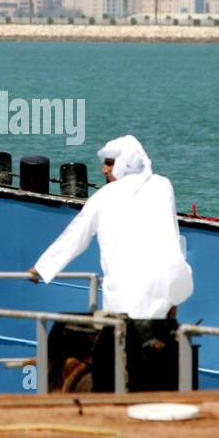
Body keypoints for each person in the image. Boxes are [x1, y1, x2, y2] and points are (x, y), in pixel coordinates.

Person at [28, 135, 194, 391]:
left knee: (115, 346)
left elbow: (76, 236)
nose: (104, 169)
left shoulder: (105, 196)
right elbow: (173, 239)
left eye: (109, 163)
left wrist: (42, 268)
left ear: (125, 163)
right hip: (162, 295)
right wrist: (175, 296)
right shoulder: (163, 186)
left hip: (123, 299)